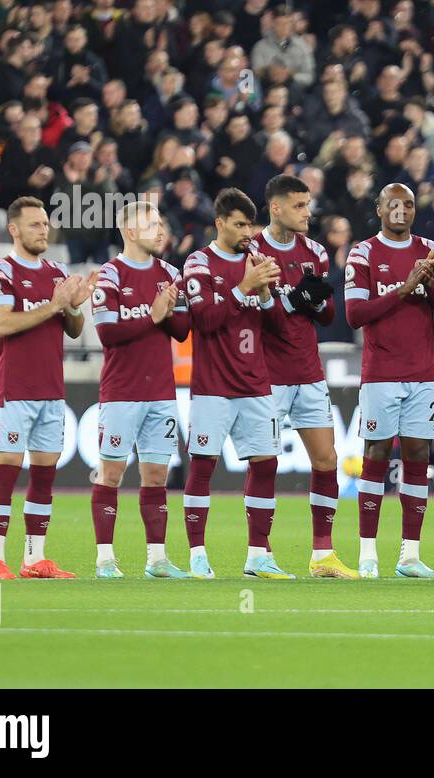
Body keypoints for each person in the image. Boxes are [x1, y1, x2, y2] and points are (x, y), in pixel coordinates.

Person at [0, 196, 98, 579]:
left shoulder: (56, 272)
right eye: (34, 225)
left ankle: (34, 559)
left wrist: (75, 307)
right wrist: (53, 304)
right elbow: (2, 325)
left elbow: (74, 329)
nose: (43, 230)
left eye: (45, 224)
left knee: (45, 476)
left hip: (51, 390)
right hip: (15, 389)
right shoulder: (0, 272)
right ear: (14, 229)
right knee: (7, 471)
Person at [344, 182, 434, 578]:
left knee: (417, 458)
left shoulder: (430, 252)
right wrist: (405, 289)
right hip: (381, 373)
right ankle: (368, 555)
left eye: (407, 204)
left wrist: (427, 285)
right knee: (375, 454)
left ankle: (409, 556)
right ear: (379, 208)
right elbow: (356, 314)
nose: (401, 210)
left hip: (423, 373)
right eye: (393, 204)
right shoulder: (362, 253)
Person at [180, 188, 290, 580]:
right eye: (241, 224)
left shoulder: (257, 262)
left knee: (266, 463)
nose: (249, 232)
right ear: (220, 223)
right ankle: (196, 554)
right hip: (212, 386)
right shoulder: (198, 263)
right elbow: (205, 320)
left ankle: (258, 555)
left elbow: (278, 327)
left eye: (252, 224)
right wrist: (244, 286)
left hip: (256, 383)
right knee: (204, 465)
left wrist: (263, 294)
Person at [251, 174, 355, 578]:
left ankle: (322, 556)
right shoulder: (254, 251)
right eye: (299, 205)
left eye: (308, 204)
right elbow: (268, 320)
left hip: (308, 369)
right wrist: (297, 300)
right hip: (268, 373)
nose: (307, 213)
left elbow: (328, 316)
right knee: (266, 461)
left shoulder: (315, 252)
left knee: (326, 459)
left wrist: (315, 298)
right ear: (276, 208)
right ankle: (258, 554)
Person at [89, 201, 191, 579]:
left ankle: (157, 560)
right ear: (131, 232)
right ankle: (104, 559)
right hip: (121, 393)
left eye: (161, 223)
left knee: (156, 477)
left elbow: (181, 329)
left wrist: (163, 314)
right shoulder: (111, 275)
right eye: (152, 224)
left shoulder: (169, 272)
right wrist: (153, 315)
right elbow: (109, 333)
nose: (161, 231)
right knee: (111, 475)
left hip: (162, 393)